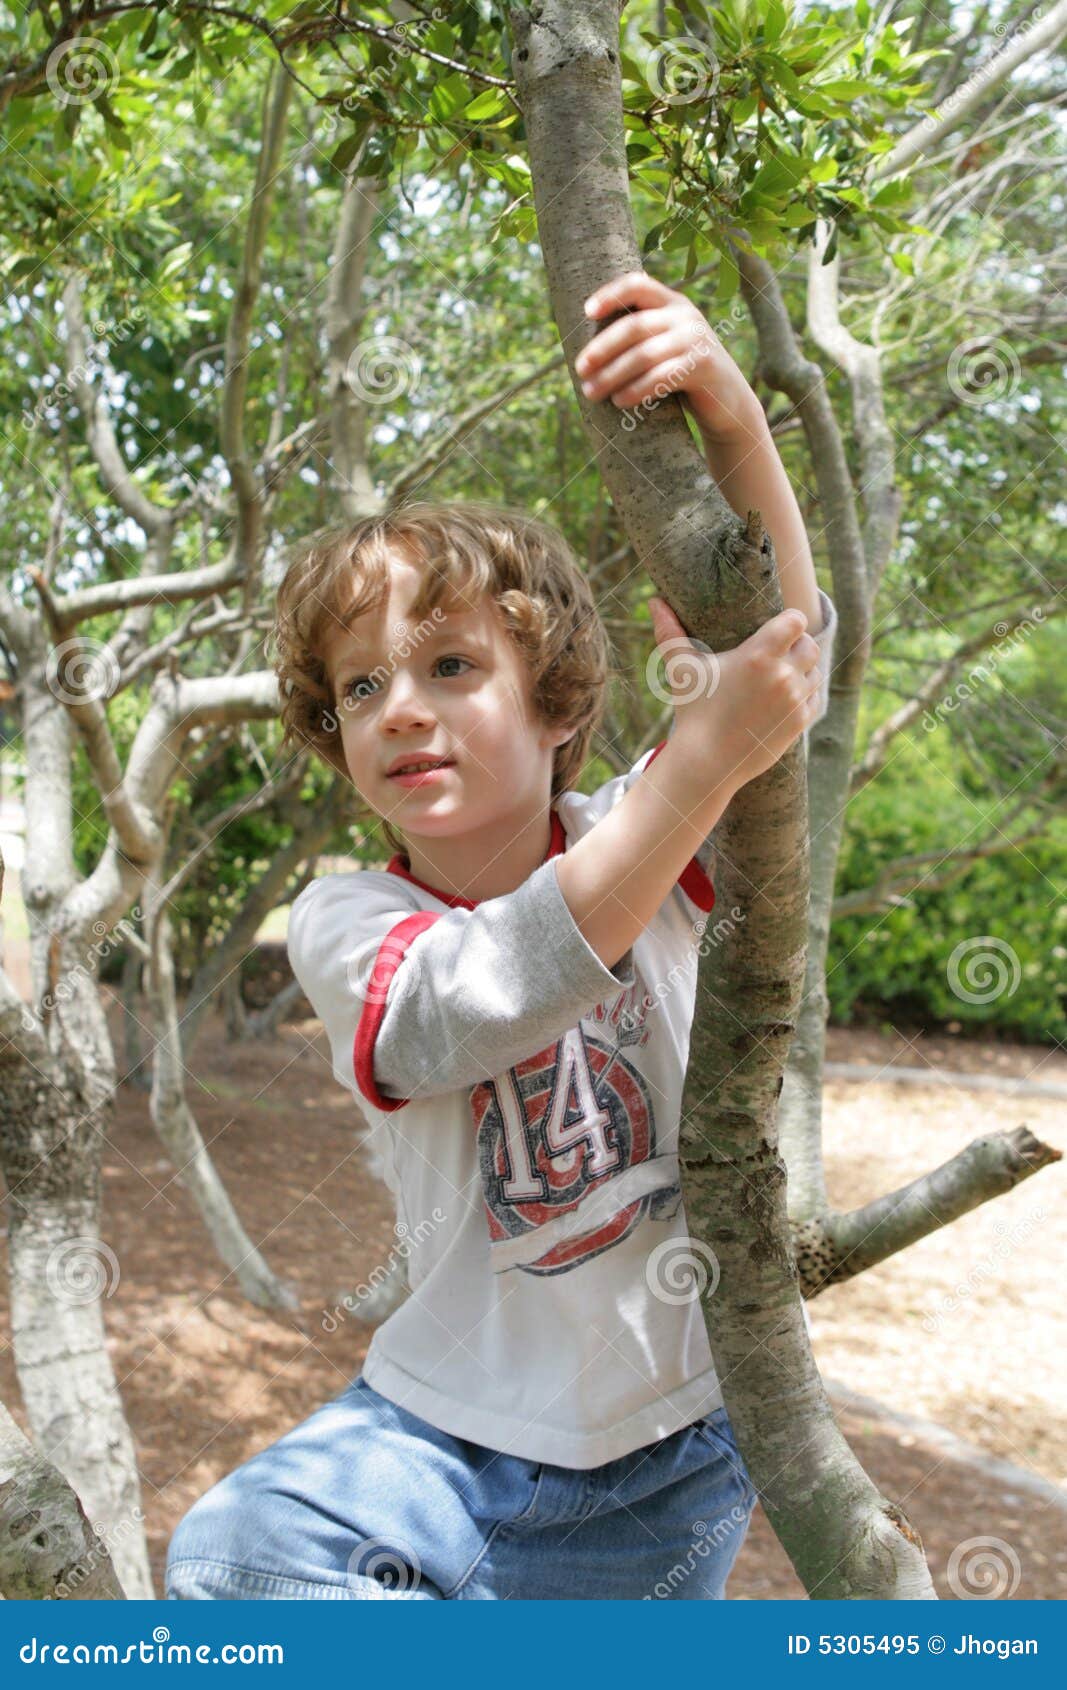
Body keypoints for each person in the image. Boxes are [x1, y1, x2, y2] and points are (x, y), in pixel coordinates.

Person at [165, 272, 838, 1601]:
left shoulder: (646, 832)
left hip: (681, 1438)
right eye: (364, 686)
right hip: (445, 1429)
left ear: (558, 702)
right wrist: (692, 769)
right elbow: (464, 1006)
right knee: (235, 1554)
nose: (403, 707)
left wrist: (736, 419)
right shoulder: (348, 920)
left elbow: (780, 661)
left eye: (453, 665)